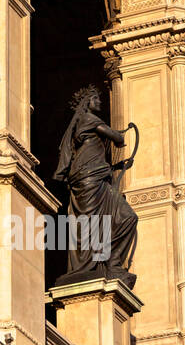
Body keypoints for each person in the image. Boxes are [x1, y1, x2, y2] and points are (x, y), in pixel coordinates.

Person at [53, 84, 139, 287]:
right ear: (87, 102)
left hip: (99, 177)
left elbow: (95, 151)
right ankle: (92, 266)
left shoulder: (88, 124)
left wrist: (115, 166)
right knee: (91, 222)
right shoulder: (87, 119)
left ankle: (113, 263)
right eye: (96, 99)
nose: (99, 102)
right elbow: (117, 138)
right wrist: (120, 134)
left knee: (128, 217)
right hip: (88, 179)